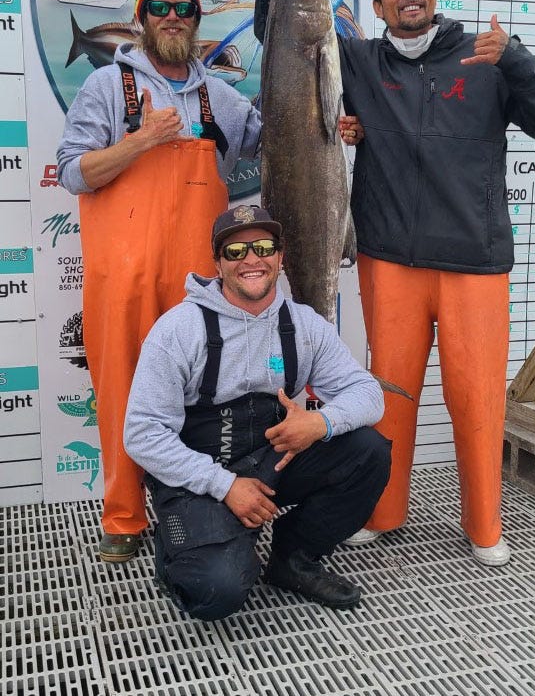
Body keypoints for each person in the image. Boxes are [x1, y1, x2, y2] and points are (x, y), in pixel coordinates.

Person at [254, 0, 535, 567]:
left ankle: (484, 525)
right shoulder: (361, 63)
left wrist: (513, 54)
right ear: (375, 6)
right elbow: (282, 34)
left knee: (477, 401)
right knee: (388, 394)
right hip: (389, 260)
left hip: (473, 264)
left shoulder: (486, 56)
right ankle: (383, 511)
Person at [57, 0, 261, 563]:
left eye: (184, 8)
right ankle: (123, 517)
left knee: (205, 398)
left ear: (198, 23)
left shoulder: (221, 97)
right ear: (142, 18)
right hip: (121, 282)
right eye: (159, 7)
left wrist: (333, 123)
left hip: (199, 286)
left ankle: (199, 514)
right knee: (121, 392)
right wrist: (140, 141)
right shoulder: (105, 86)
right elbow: (74, 171)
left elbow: (273, 141)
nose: (172, 16)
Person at [123, 204, 391, 619]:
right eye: (235, 251)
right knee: (217, 592)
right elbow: (142, 434)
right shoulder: (178, 329)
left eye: (264, 247)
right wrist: (225, 486)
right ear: (217, 263)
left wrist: (320, 423)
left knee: (368, 450)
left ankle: (293, 559)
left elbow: (369, 394)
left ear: (280, 257)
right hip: (198, 472)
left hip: (270, 460)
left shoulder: (305, 325)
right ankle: (183, 547)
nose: (252, 259)